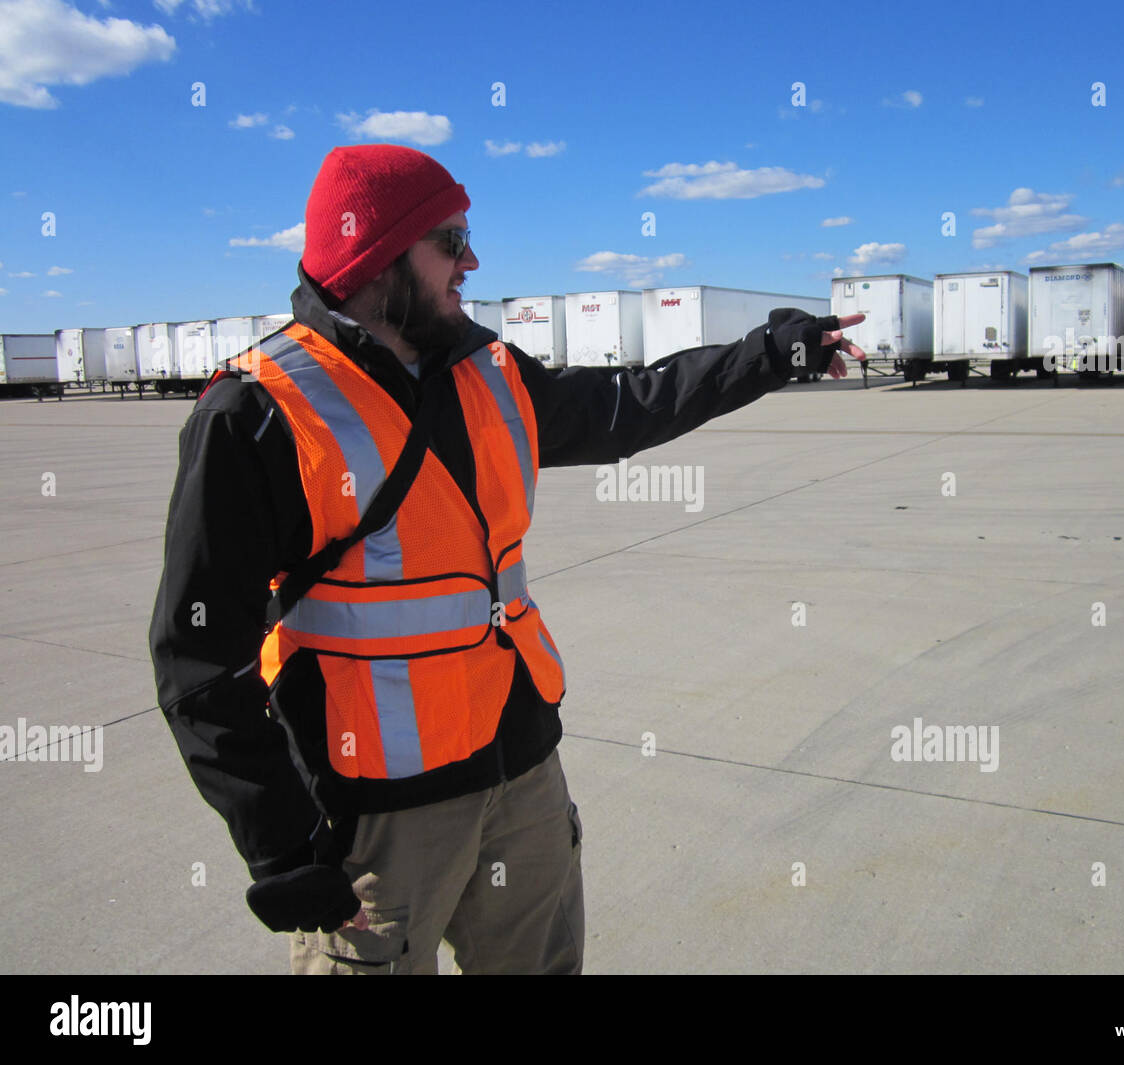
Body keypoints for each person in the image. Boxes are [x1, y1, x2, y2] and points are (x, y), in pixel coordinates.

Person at [148, 143, 866, 975]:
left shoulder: (487, 369)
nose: (472, 259)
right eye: (449, 239)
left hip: (519, 770)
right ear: (377, 256)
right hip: (378, 821)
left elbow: (627, 406)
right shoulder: (260, 410)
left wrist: (771, 355)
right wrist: (279, 843)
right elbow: (196, 659)